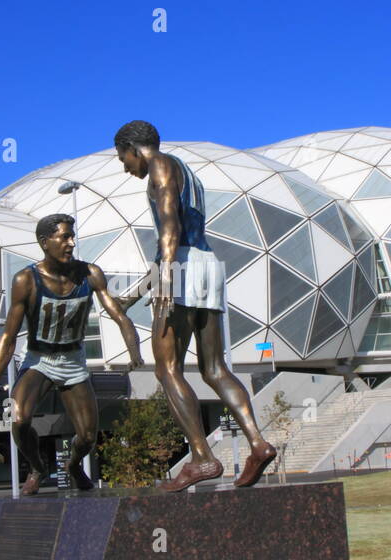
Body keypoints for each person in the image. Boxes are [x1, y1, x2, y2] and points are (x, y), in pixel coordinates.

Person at [113, 119, 277, 491]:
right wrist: (134, 295)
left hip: (179, 266)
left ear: (134, 148)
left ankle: (201, 458)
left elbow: (169, 226)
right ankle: (258, 443)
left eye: (123, 158)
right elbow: (183, 234)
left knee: (167, 369)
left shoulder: (160, 165)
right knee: (215, 368)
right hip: (205, 264)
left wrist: (166, 276)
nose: (125, 167)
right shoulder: (188, 171)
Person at [0, 213, 143, 496]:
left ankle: (74, 466)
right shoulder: (26, 280)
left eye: (72, 237)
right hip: (39, 360)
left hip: (73, 362)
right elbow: (8, 337)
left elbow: (119, 315)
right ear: (44, 242)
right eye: (64, 237)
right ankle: (37, 468)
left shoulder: (90, 273)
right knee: (19, 417)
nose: (71, 243)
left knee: (87, 436)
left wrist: (133, 349)